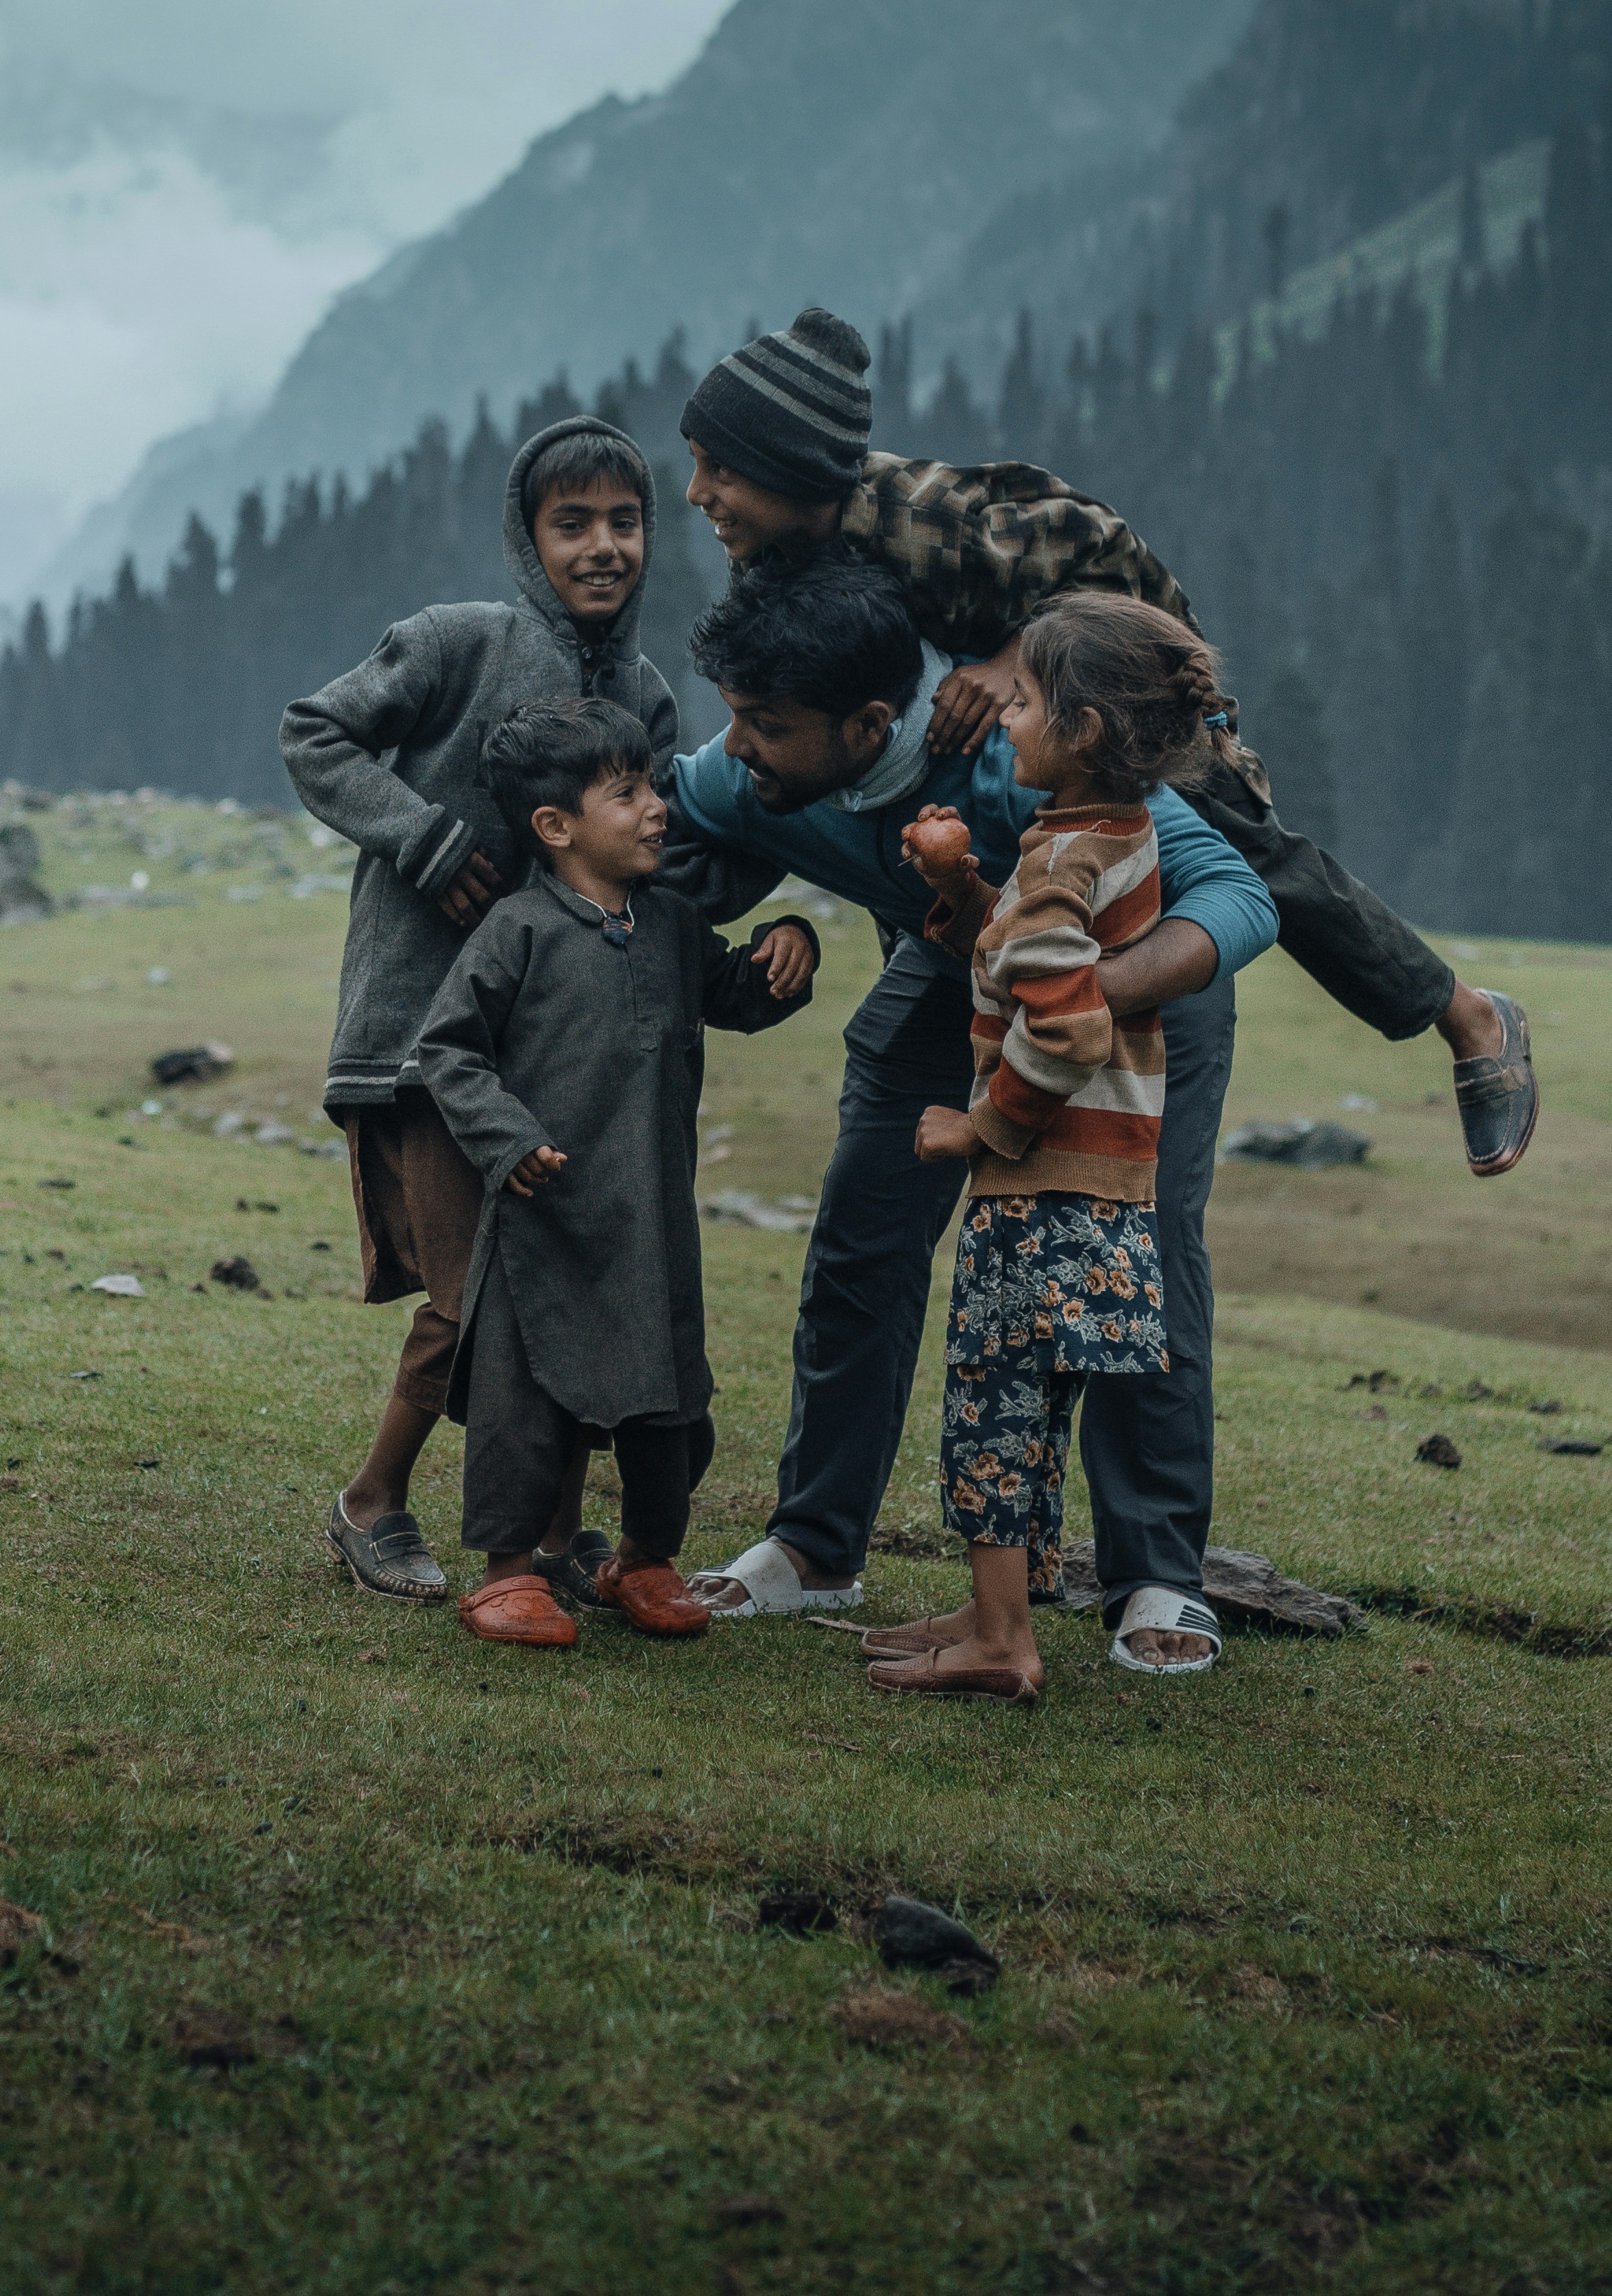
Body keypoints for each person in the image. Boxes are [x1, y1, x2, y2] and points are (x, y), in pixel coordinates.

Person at [676, 306, 1538, 1178]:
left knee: (1250, 855)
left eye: (720, 470)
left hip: (1130, 696)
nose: (696, 493)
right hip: (999, 737)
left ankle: (1467, 1014)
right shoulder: (775, 547)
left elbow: (1113, 567)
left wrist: (1012, 657)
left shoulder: (926, 522)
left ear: (797, 471)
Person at [658, 551, 1271, 1675]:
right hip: (959, 980)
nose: (735, 745)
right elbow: (661, 821)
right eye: (733, 716)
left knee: (1139, 1270)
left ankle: (1156, 1576)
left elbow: (1237, 898)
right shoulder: (744, 772)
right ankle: (813, 1546)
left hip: (1139, 1005)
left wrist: (1088, 993)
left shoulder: (1029, 764)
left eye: (764, 723)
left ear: (867, 724)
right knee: (863, 1234)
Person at [282, 420, 816, 1607]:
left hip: (568, 1061)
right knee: (478, 1300)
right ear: (527, 538)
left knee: (570, 1282)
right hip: (428, 1039)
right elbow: (311, 733)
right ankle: (374, 1501)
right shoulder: (454, 644)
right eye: (570, 523)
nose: (602, 546)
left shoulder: (643, 694)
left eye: (624, 522)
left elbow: (662, 870)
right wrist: (420, 837)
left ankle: (556, 1541)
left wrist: (771, 928)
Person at [866, 595, 1219, 1703]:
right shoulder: (1118, 835)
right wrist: (961, 889)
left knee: (992, 1401)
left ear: (1087, 734)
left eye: (1021, 704)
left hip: (1042, 1188)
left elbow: (1064, 1022)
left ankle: (1003, 1640)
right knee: (1030, 1405)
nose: (1000, 721)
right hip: (1104, 1191)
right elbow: (1037, 956)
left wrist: (981, 1127)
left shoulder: (1064, 857)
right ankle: (991, 1610)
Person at [410, 697, 813, 1646]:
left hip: (653, 1217)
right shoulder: (518, 931)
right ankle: (509, 1577)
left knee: (669, 1398)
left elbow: (739, 996)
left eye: (654, 788)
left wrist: (789, 946)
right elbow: (449, 1052)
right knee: (524, 1398)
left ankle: (645, 1558)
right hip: (543, 1212)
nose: (656, 809)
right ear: (556, 827)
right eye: (626, 793)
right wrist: (506, 1142)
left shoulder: (673, 924)